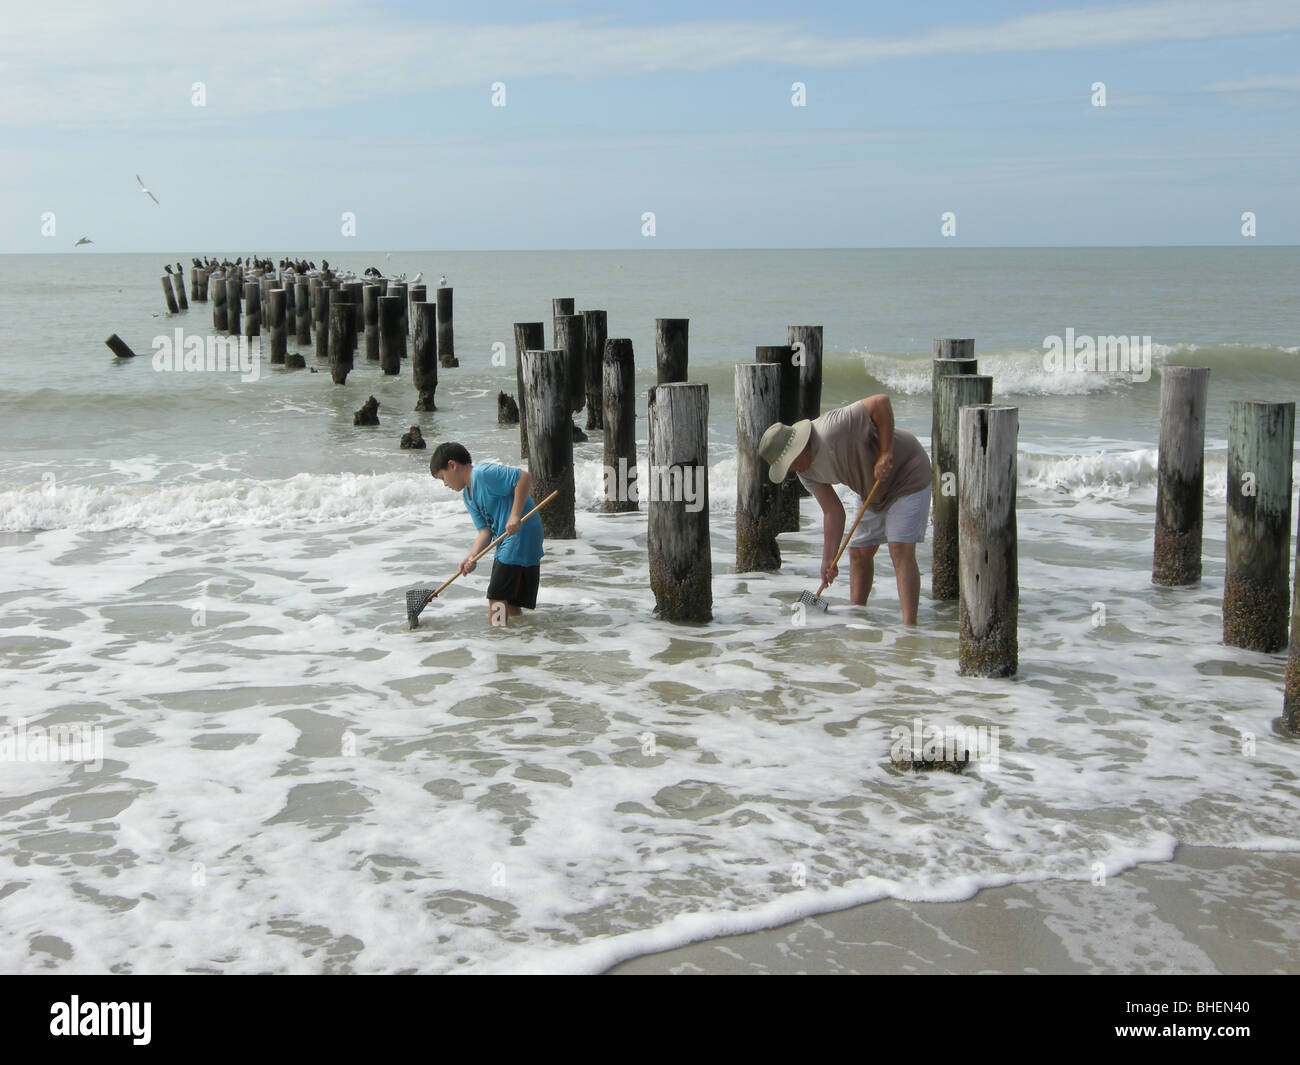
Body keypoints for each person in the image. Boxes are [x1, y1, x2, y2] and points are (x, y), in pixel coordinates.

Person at [760, 395, 932, 624]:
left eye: (789, 463)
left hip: (907, 471)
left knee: (899, 550)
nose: (791, 470)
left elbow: (880, 402)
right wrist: (827, 560)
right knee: (859, 553)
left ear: (798, 449)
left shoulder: (832, 428)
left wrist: (885, 452)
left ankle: (909, 628)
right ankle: (857, 620)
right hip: (871, 489)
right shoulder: (805, 473)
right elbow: (833, 511)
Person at [430, 442, 543, 626]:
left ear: (452, 465)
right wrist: (471, 558)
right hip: (506, 539)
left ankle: (497, 639)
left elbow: (523, 478)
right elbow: (484, 531)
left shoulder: (482, 474)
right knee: (510, 600)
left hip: (521, 533)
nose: (444, 484)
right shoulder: (467, 497)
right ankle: (518, 642)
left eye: (443, 477)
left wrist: (514, 516)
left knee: (497, 596)